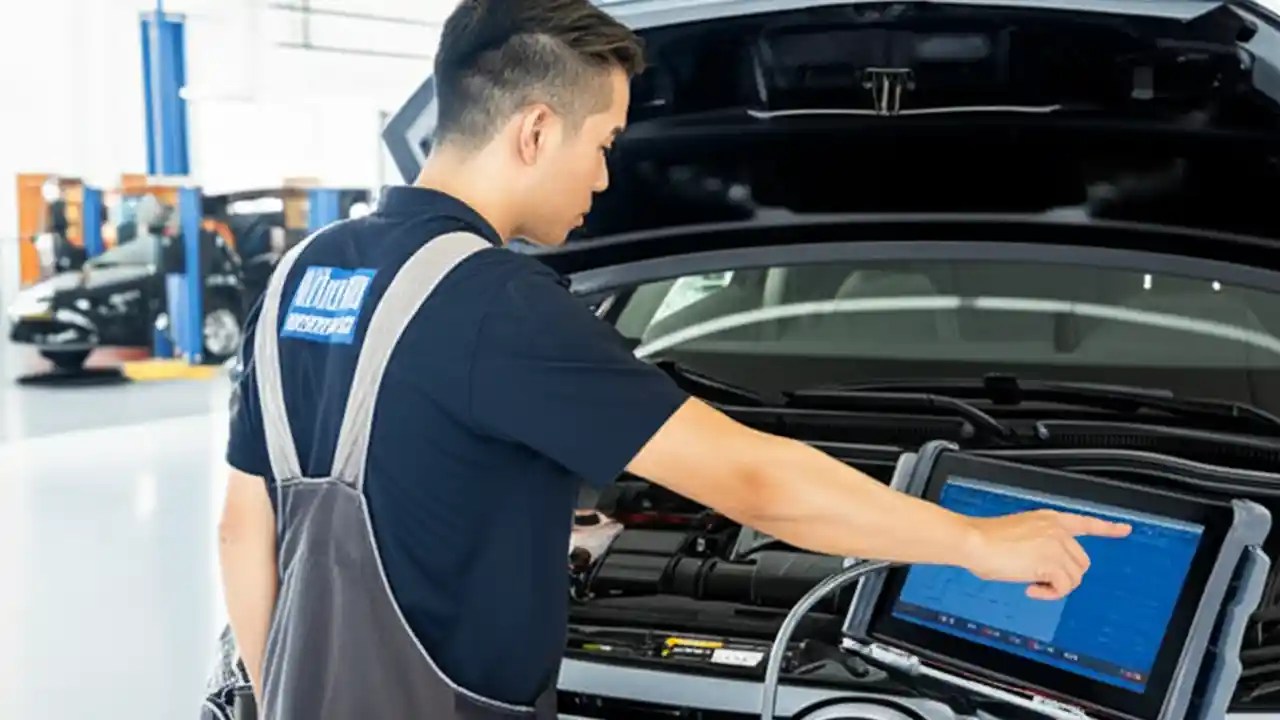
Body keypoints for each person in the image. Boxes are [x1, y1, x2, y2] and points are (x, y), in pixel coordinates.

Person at [216, 1, 1133, 718]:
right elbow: (754, 483)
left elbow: (247, 528)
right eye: (603, 143)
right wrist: (975, 542)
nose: (606, 178)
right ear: (536, 131)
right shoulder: (494, 301)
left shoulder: (300, 271)